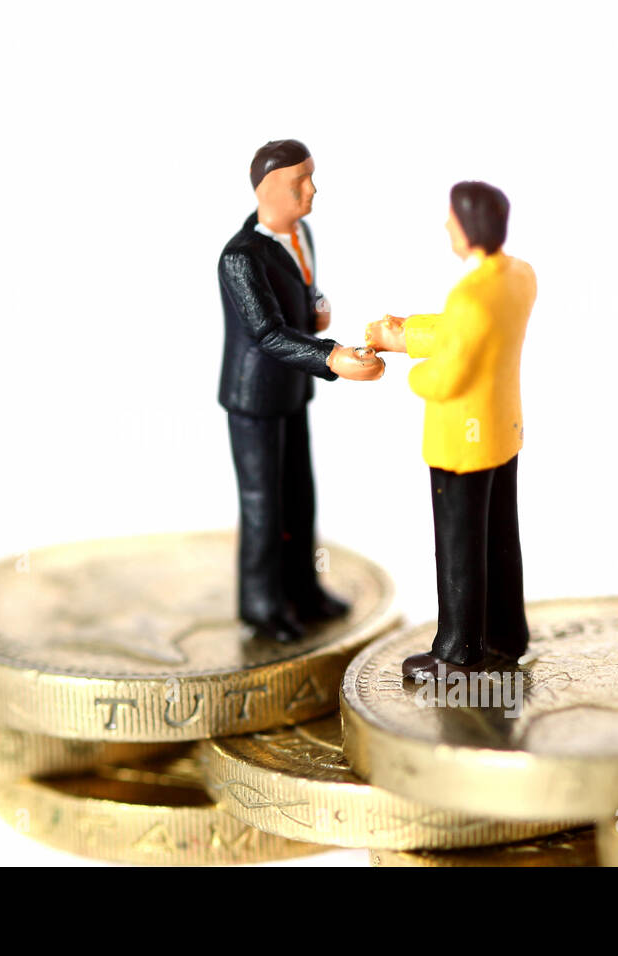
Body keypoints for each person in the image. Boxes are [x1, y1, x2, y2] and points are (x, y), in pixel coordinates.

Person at [365, 181, 536, 679]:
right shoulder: (518, 276)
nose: (446, 226)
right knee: (501, 536)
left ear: (469, 227)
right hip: (502, 429)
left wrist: (412, 373)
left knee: (459, 545)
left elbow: (447, 374)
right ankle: (507, 634)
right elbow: (468, 332)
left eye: (451, 219)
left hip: (462, 438)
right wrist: (406, 333)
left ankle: (458, 652)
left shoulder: (470, 296)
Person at [218, 139, 383, 643]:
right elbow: (266, 332)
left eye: (311, 177)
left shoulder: (302, 232)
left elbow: (305, 290)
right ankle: (263, 604)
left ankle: (303, 589)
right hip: (255, 397)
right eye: (299, 183)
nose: (312, 190)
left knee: (300, 494)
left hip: (292, 388)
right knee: (263, 502)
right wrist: (331, 356)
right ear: (268, 192)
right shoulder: (239, 258)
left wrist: (318, 307)